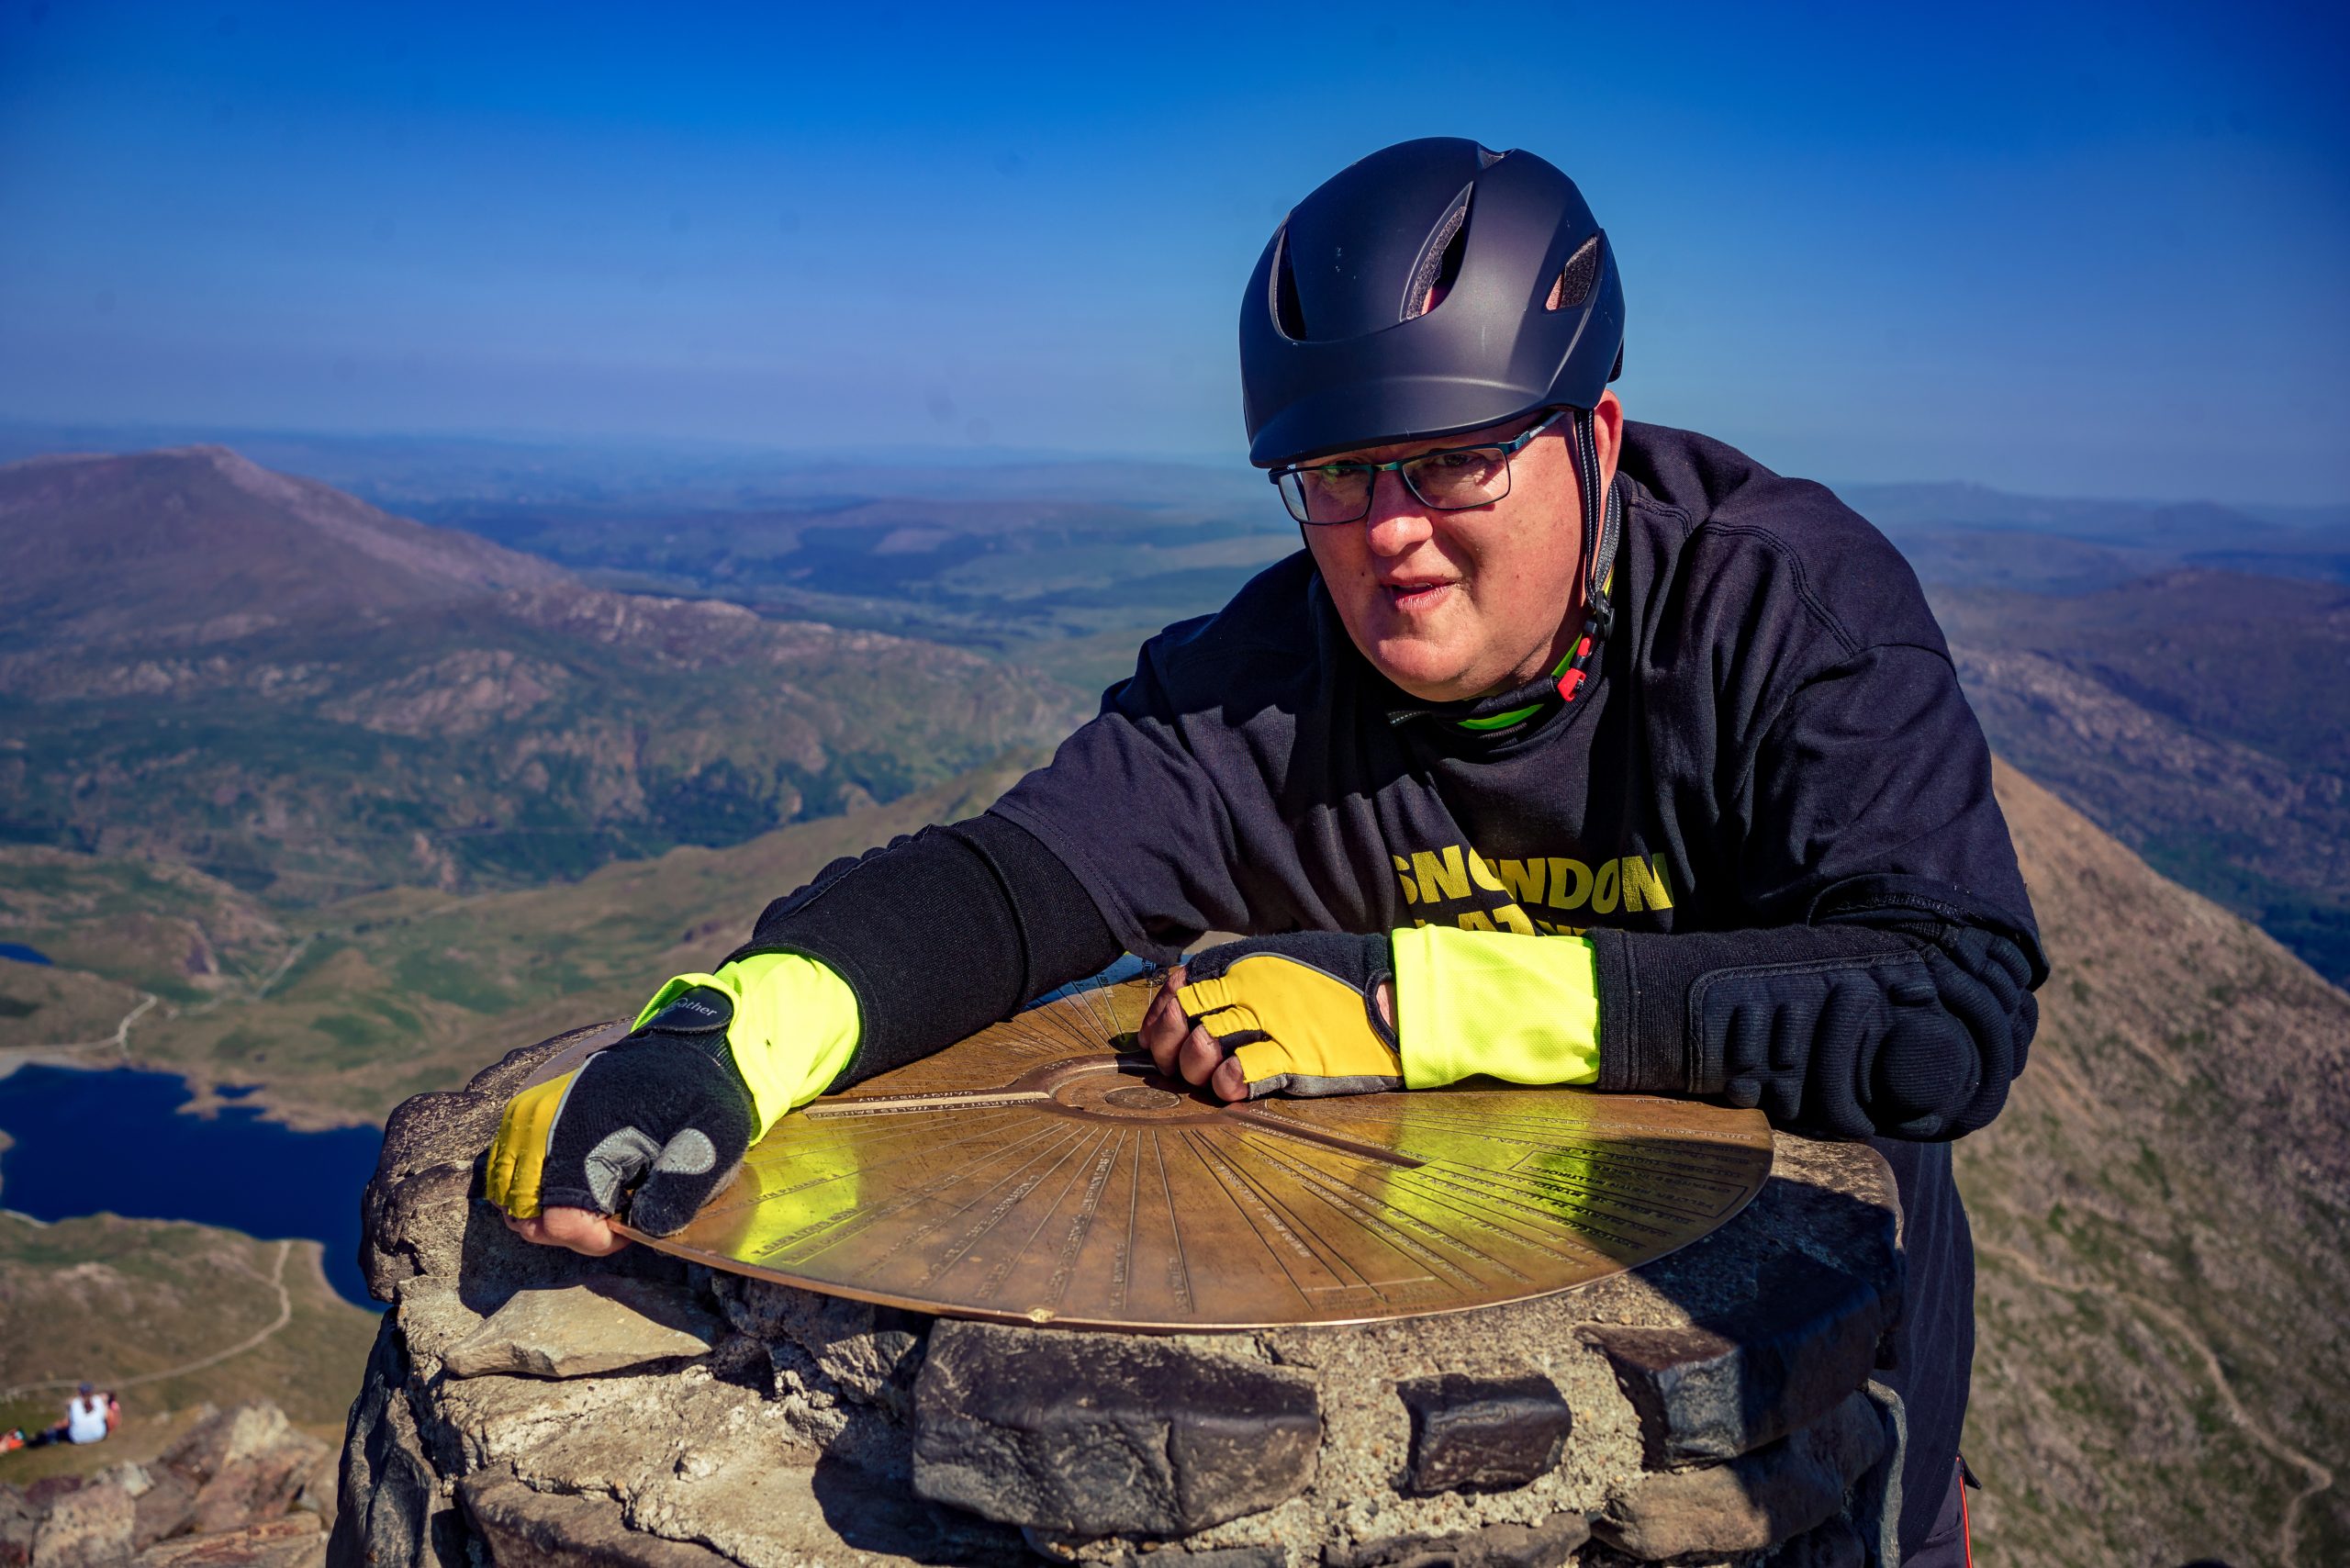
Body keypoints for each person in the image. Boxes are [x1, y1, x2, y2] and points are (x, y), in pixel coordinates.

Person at [485, 138, 2040, 1565]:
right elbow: (1004, 885)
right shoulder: (1264, 682)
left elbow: (1943, 1006)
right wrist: (726, 1035)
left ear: (1599, 434)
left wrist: (1410, 1008)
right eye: (1340, 473)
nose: (1391, 533)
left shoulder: (1790, 616)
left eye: (1454, 457)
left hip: (1830, 1427)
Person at [6, 1383, 117, 1450]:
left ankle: (32, 1442)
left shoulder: (74, 1403)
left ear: (79, 1392)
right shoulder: (98, 1401)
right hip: (100, 1434)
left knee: (57, 1433)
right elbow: (108, 1417)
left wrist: (50, 1429)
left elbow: (66, 1423)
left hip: (76, 1437)